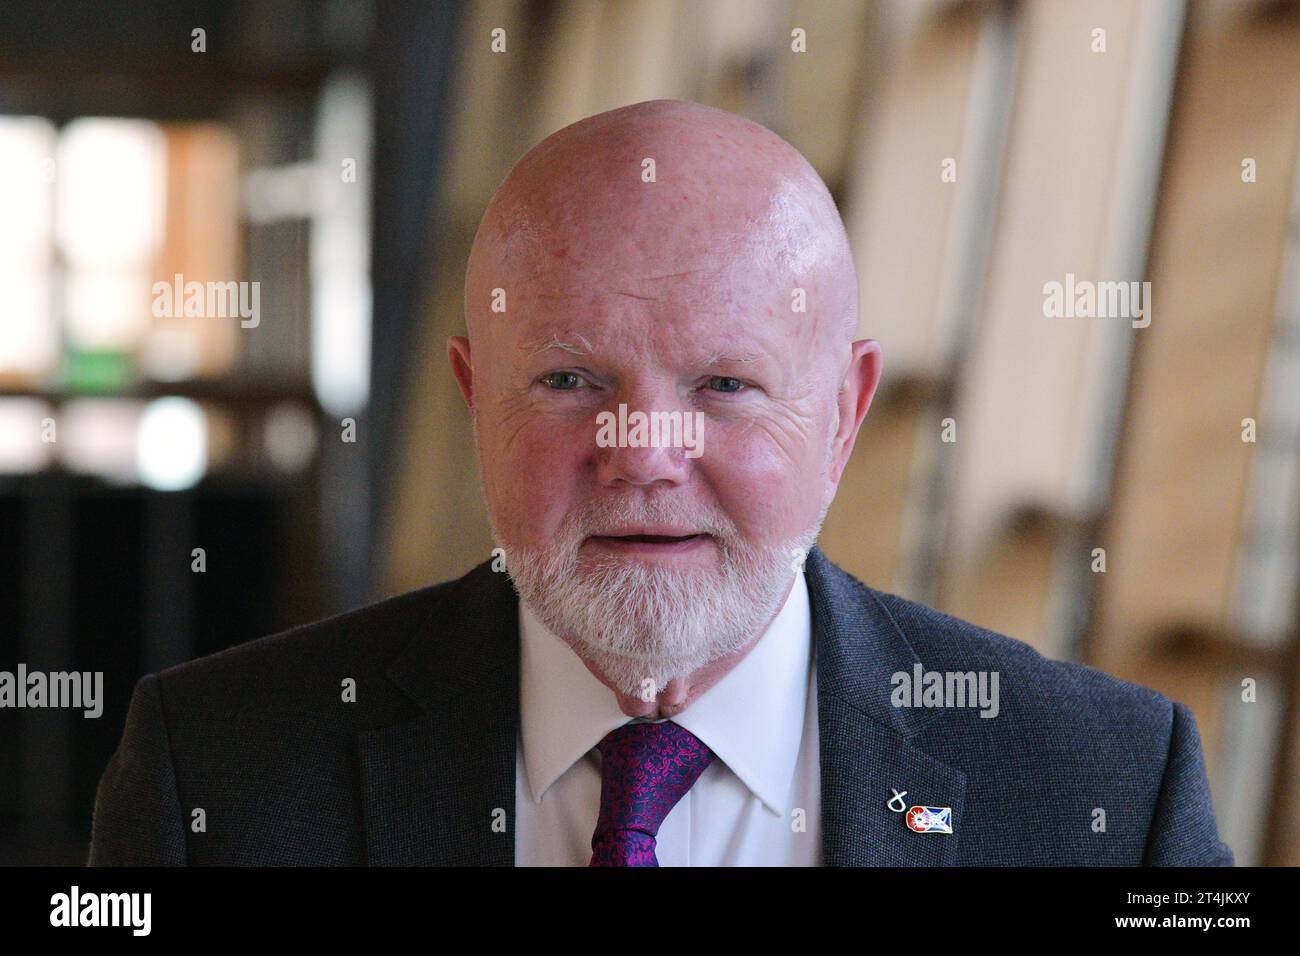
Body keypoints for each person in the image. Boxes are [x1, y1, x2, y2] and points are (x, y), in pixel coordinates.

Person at [89, 99, 1232, 866]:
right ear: (473, 398)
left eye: (726, 382)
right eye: (571, 377)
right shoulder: (219, 776)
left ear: (844, 414)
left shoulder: (1109, 793)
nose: (639, 448)